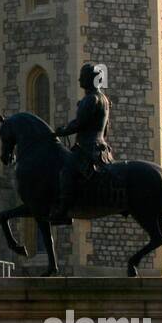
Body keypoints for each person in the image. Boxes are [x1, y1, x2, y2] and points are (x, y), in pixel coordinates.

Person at [50, 63, 114, 220]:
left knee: (65, 171)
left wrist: (61, 131)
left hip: (88, 147)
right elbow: (105, 129)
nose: (79, 81)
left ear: (89, 80)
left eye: (82, 77)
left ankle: (63, 211)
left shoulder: (91, 99)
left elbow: (79, 124)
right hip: (102, 147)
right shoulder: (104, 99)